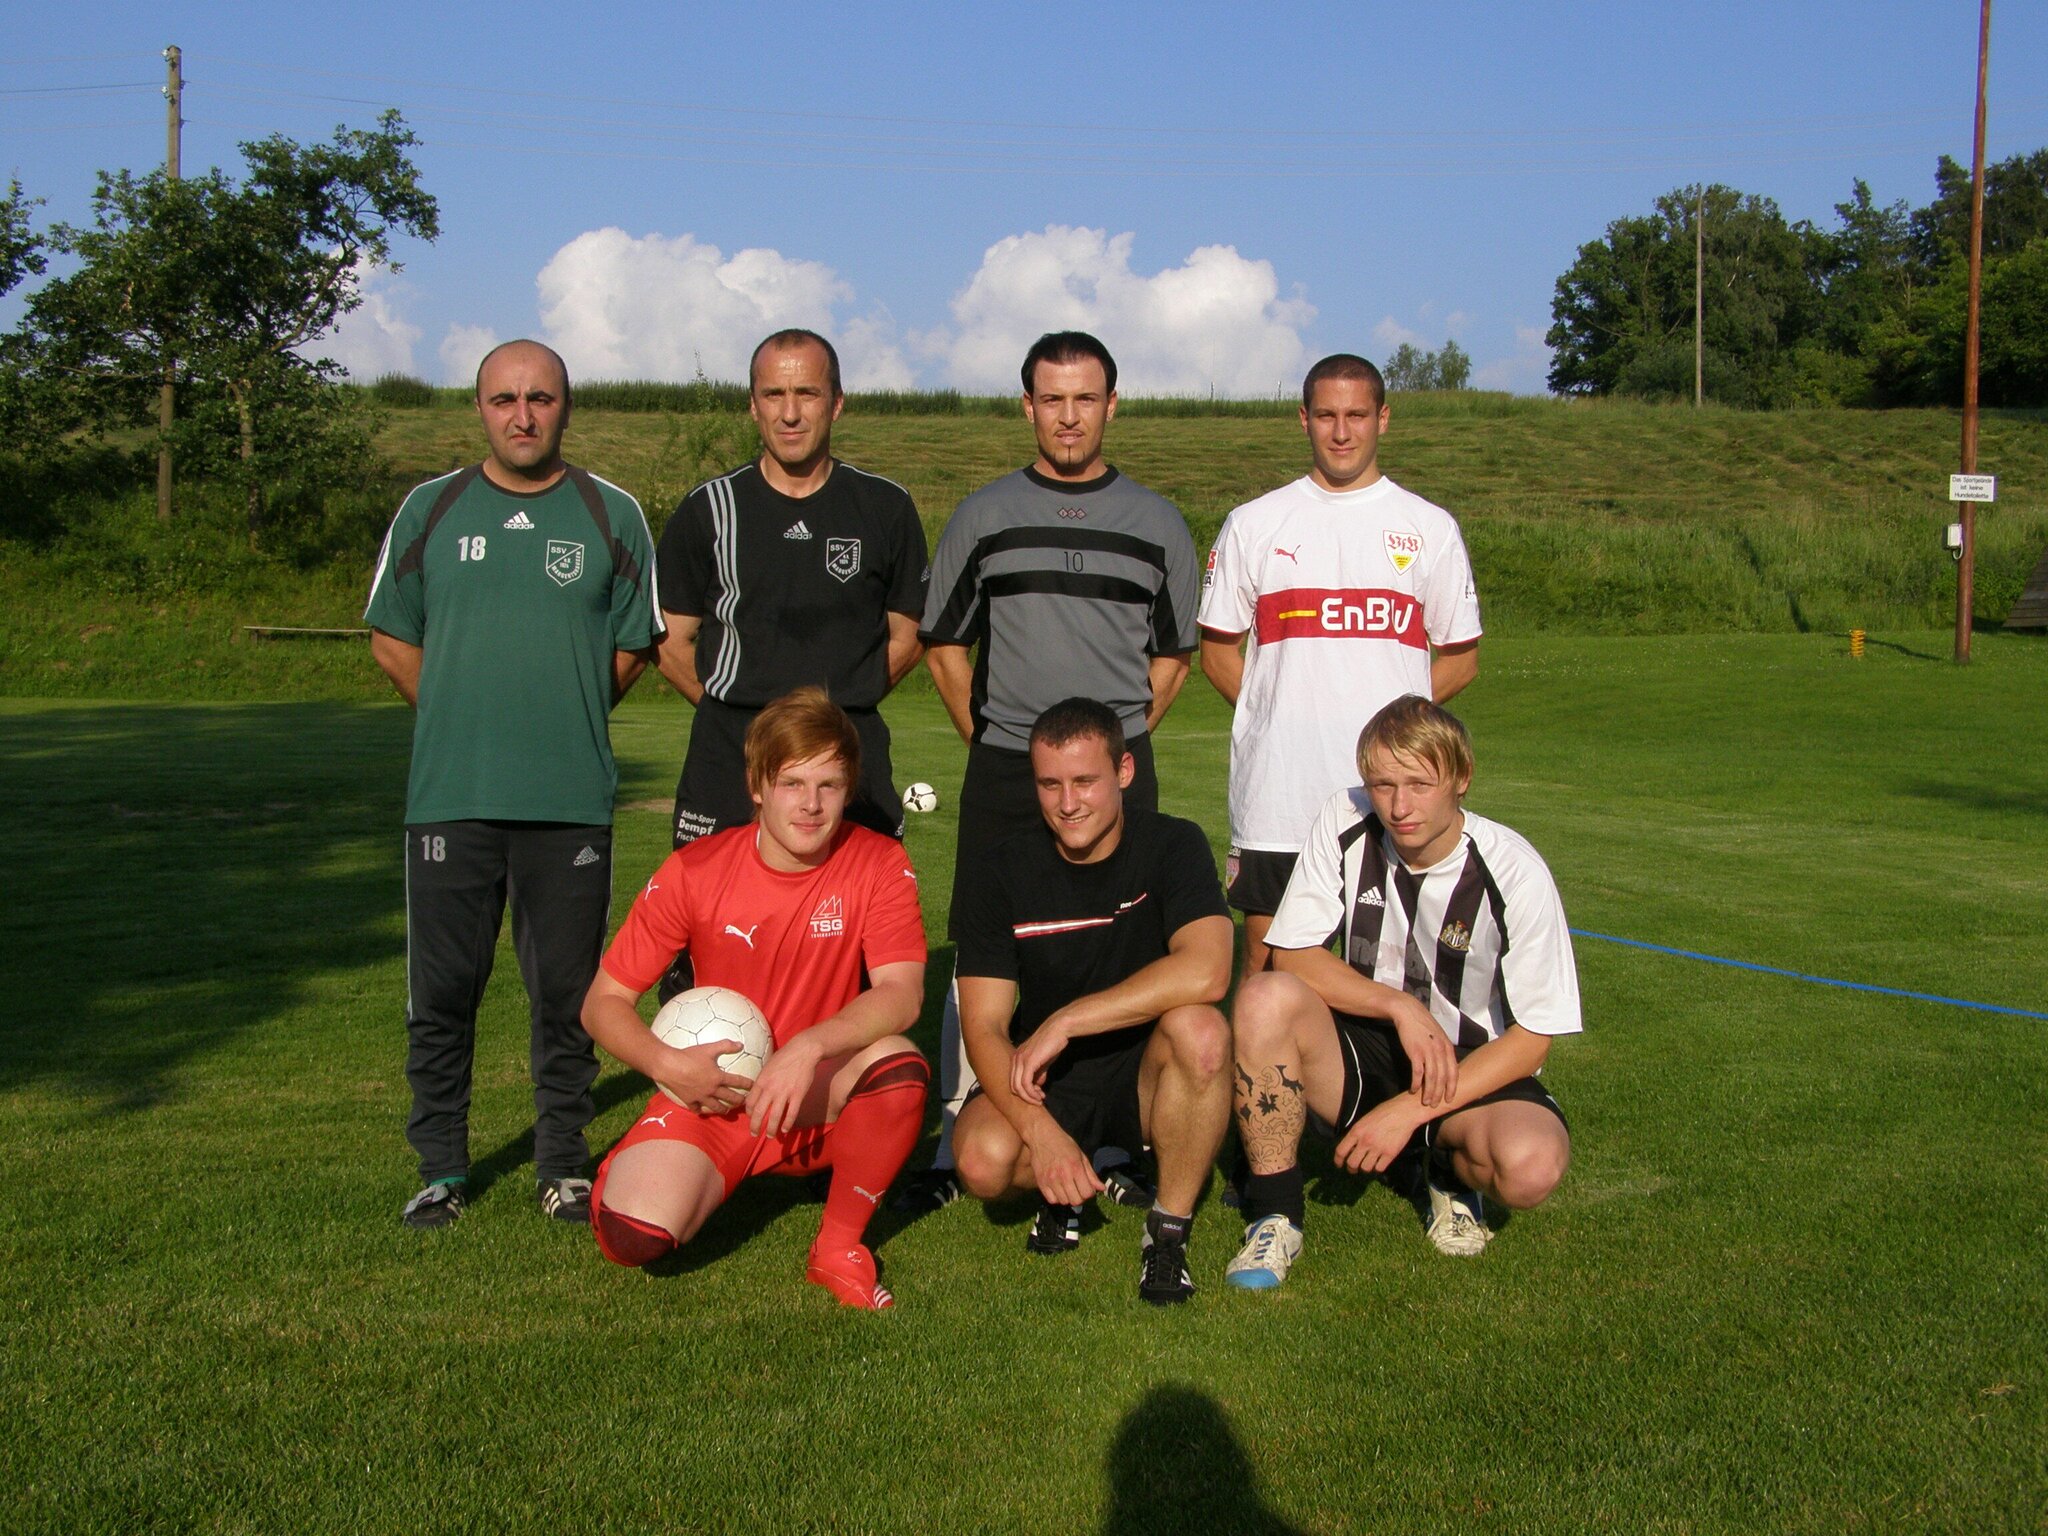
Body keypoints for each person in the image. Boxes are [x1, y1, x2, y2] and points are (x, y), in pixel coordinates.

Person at [898, 331, 1202, 1210]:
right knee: (987, 946)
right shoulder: (983, 514)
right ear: (1027, 406)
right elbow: (943, 642)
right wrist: (992, 739)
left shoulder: (1156, 523)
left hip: (1114, 770)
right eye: (1051, 399)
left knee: (1125, 937)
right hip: (1005, 764)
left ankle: (1132, 1127)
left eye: (1086, 398)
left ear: (1112, 405)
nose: (1069, 416)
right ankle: (966, 1129)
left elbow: (1174, 656)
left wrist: (1112, 752)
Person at [365, 338, 664, 1229]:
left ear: (566, 408)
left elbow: (631, 646)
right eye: (505, 400)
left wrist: (556, 715)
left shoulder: (611, 513)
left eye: (540, 399)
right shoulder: (432, 508)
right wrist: (464, 711)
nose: (522, 415)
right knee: (443, 993)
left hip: (567, 802)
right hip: (451, 799)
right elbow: (390, 637)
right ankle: (442, 1167)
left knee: (569, 998)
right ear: (480, 408)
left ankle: (563, 1164)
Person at [581, 688, 930, 1310]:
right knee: (633, 1236)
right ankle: (650, 1163)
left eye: (829, 784)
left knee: (898, 1065)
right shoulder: (695, 869)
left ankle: (838, 1245)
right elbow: (603, 1001)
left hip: (811, 1094)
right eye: (793, 783)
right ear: (757, 786)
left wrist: (808, 1047)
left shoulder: (879, 862)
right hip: (717, 1093)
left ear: (850, 788)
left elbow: (902, 995)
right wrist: (666, 1065)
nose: (812, 804)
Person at [1224, 696, 1578, 1289]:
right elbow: (1293, 952)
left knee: (1530, 1167)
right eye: (1382, 784)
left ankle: (1444, 1172)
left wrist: (1406, 1114)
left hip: (1469, 1062)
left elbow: (1534, 1038)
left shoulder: (1514, 870)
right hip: (1369, 1045)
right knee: (1264, 996)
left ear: (1461, 778)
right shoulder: (1344, 819)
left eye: (1419, 783)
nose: (1399, 805)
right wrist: (1399, 1005)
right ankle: (1275, 1214)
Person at [1198, 353, 1482, 976]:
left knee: (1387, 968)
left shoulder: (1428, 527)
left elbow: (1460, 657)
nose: (1342, 431)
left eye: (1357, 415)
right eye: (1327, 415)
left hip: (1389, 797)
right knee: (1268, 965)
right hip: (1280, 791)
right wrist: (1277, 715)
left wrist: (1399, 737)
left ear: (1384, 418)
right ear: (1304, 420)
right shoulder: (1255, 523)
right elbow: (1218, 652)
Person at [950, 699, 1232, 1305]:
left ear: (1124, 772)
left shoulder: (1174, 844)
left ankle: (1168, 1232)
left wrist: (1069, 1018)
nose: (1068, 803)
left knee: (1202, 1030)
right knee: (980, 1160)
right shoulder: (998, 870)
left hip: (1151, 1070)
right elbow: (985, 1026)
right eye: (1050, 784)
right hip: (1053, 1079)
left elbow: (1208, 970)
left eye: (1085, 781)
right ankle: (1076, 1178)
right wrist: (1040, 1130)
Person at [655, 329, 927, 851]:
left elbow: (909, 633)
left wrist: (837, 711)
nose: (790, 413)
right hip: (730, 754)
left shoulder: (885, 508)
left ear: (837, 403)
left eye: (807, 393)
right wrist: (751, 718)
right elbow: (671, 641)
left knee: (854, 921)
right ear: (753, 406)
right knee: (717, 923)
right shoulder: (708, 509)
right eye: (773, 395)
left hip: (850, 746)